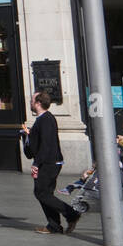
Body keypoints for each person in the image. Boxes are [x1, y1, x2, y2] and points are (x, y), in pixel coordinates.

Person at [21, 91, 80, 235]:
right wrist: (28, 136)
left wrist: (36, 163)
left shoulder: (46, 119)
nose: (30, 103)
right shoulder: (42, 119)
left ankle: (71, 214)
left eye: (32, 100)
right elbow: (40, 142)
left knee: (41, 193)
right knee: (45, 193)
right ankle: (54, 225)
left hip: (49, 162)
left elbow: (46, 144)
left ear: (38, 103)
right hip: (47, 161)